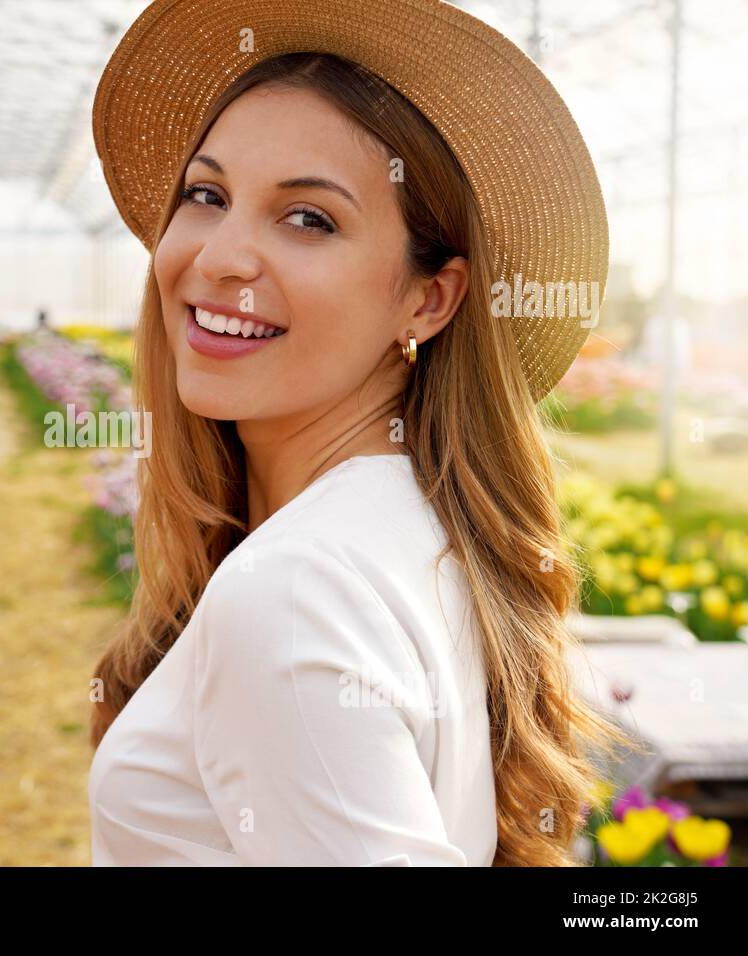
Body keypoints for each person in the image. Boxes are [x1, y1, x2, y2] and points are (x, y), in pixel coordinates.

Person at [86, 0, 630, 868]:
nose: (222, 255)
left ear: (428, 298)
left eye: (309, 218)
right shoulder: (417, 528)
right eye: (207, 194)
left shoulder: (293, 587)